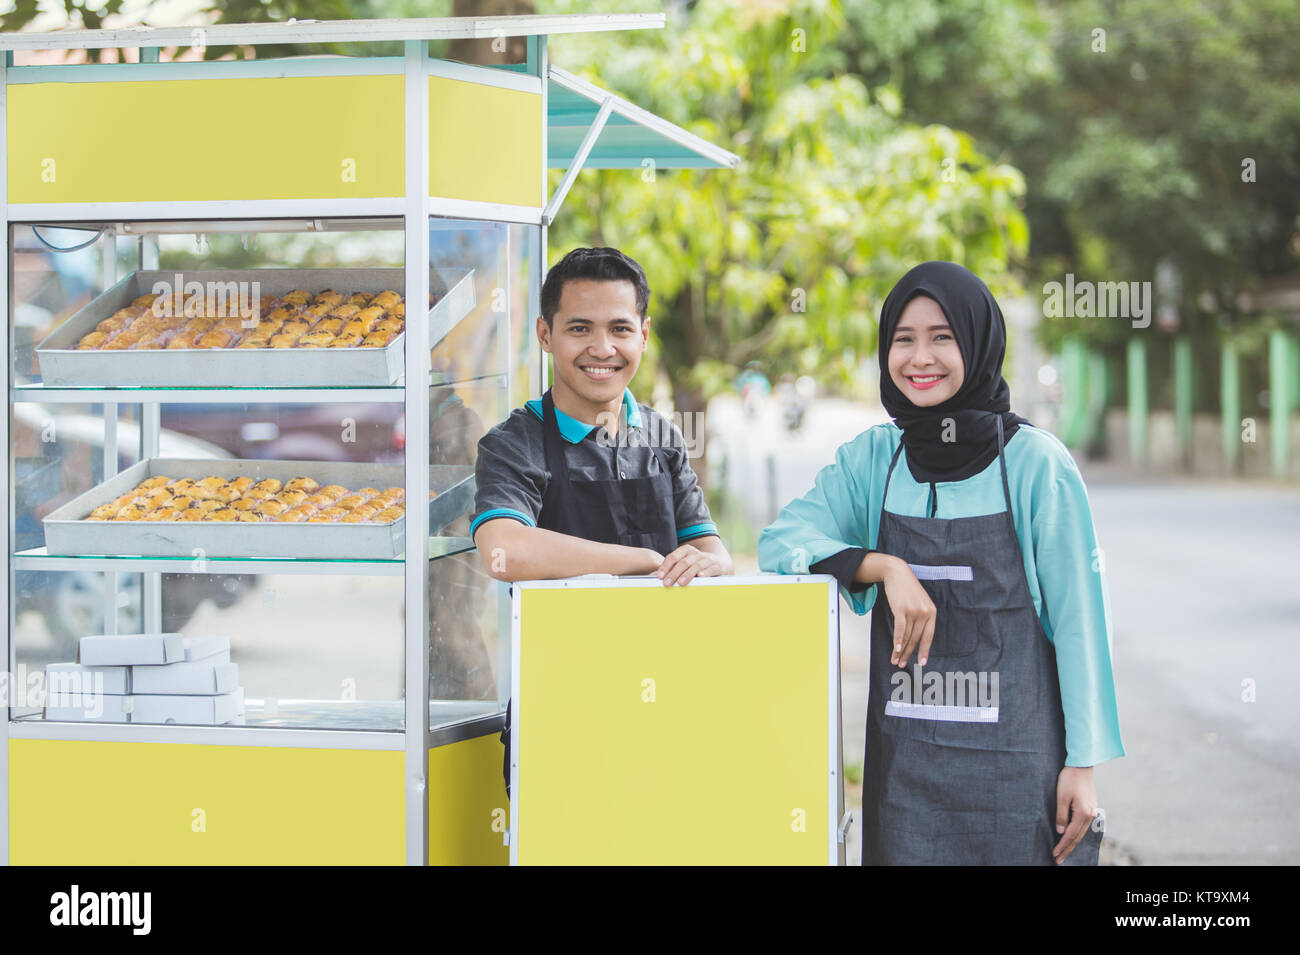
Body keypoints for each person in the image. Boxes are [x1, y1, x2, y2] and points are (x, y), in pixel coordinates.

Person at [758, 261, 1123, 865]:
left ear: (978, 343)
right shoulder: (876, 459)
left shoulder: (1036, 464)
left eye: (942, 337)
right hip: (907, 778)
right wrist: (883, 566)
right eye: (903, 339)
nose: (918, 358)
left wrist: (1082, 766)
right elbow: (781, 543)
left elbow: (1080, 622)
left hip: (1018, 773)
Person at [470, 247, 734, 797]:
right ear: (545, 334)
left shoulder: (662, 437)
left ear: (643, 334)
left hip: (672, 707)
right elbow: (502, 551)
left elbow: (713, 553)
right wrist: (635, 562)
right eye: (579, 329)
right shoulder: (515, 443)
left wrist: (707, 564)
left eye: (619, 328)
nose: (602, 349)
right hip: (560, 714)